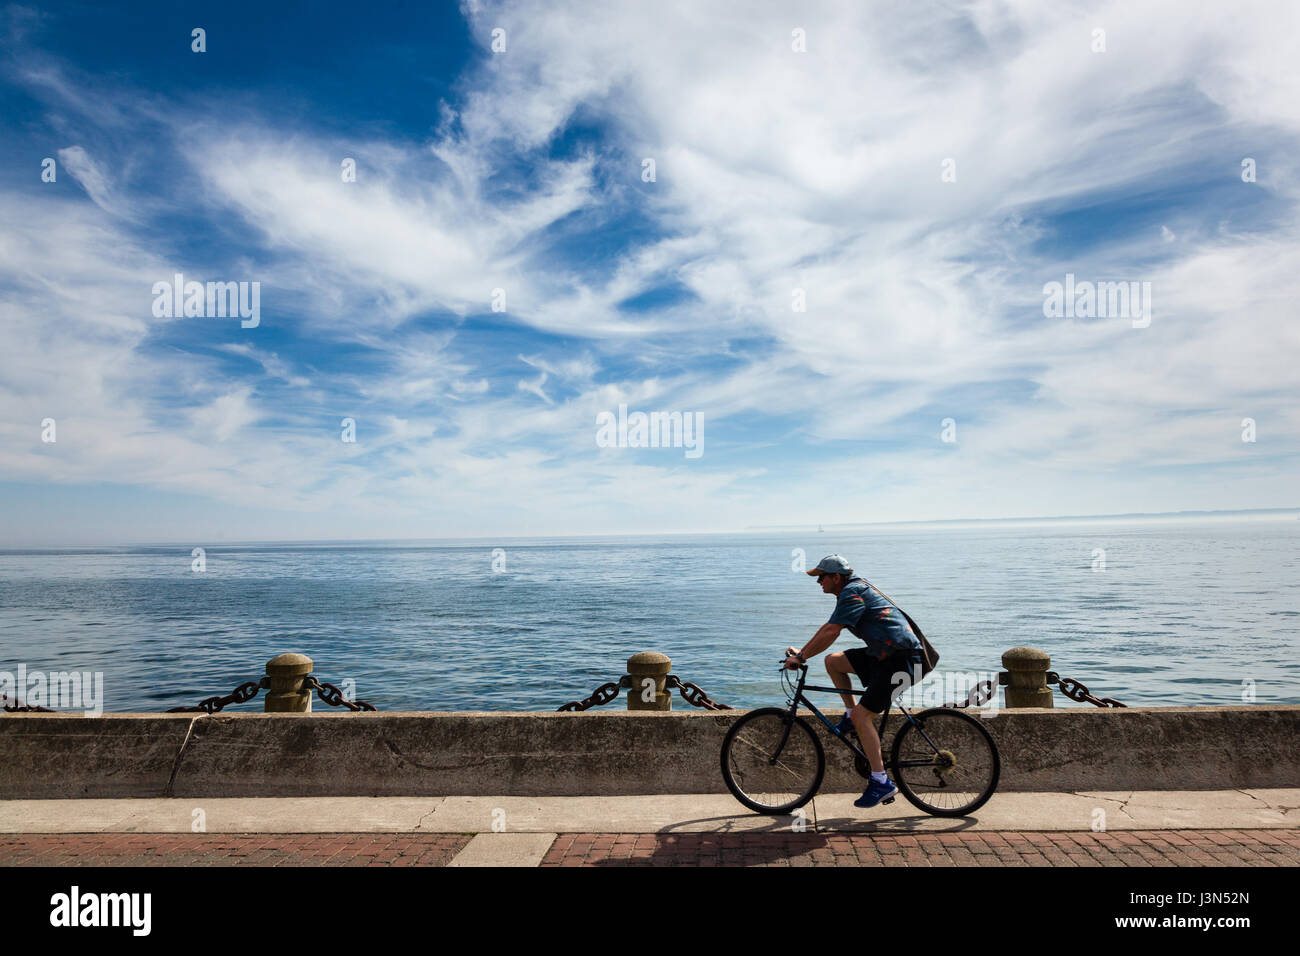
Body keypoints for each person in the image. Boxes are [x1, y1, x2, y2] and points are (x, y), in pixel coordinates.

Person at [784, 554, 924, 809]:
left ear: (836, 577)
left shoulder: (852, 593)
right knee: (833, 661)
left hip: (900, 661)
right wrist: (802, 653)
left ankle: (881, 781)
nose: (819, 583)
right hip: (884, 655)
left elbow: (831, 631)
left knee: (864, 717)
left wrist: (802, 657)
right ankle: (850, 714)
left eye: (821, 577)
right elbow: (829, 627)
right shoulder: (850, 591)